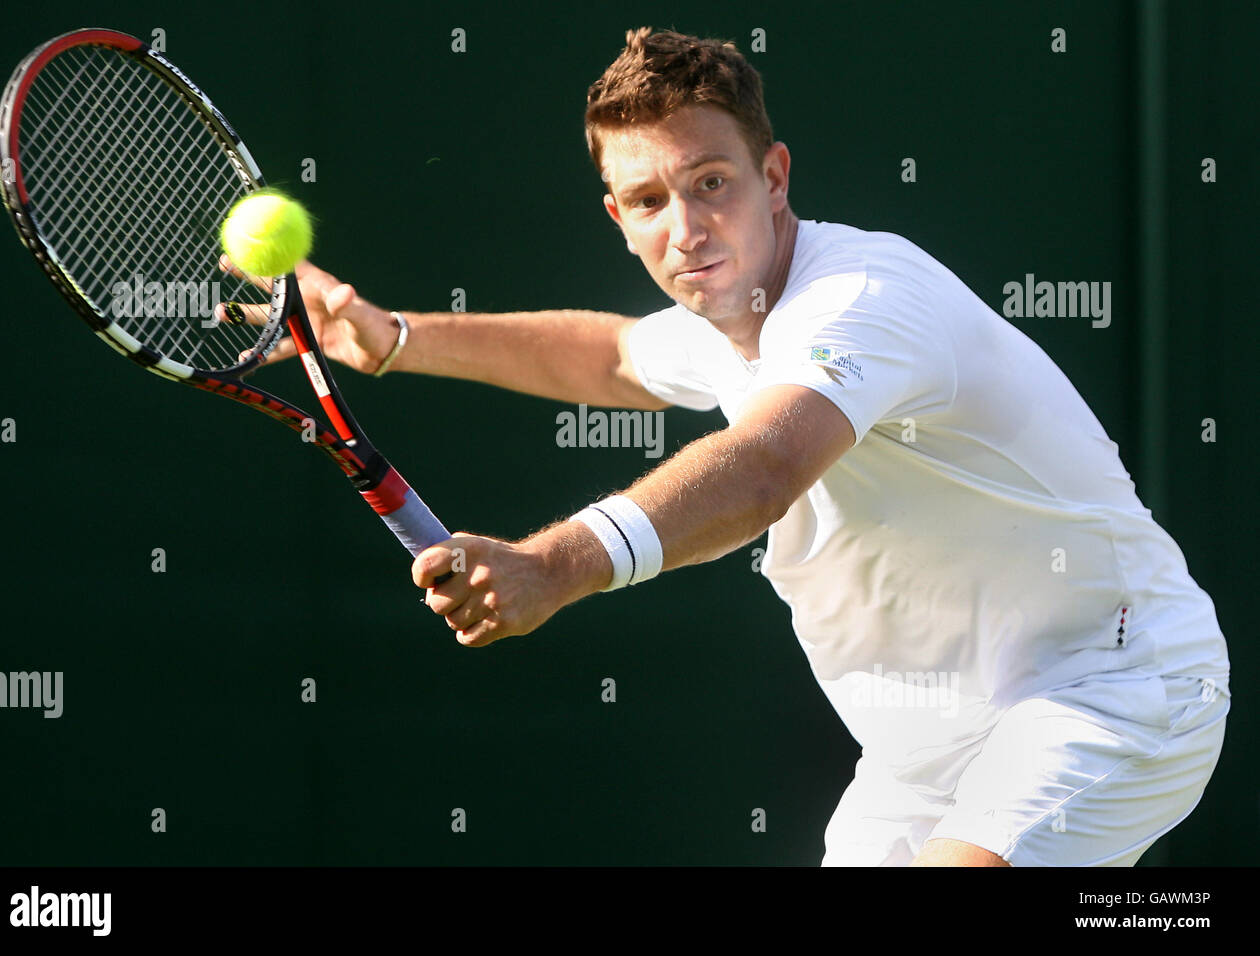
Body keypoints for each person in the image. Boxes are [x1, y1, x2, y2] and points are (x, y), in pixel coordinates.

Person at [230, 27, 1230, 866]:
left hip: (1108, 687)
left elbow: (759, 470)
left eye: (710, 182)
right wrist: (394, 336)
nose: (687, 225)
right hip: (926, 747)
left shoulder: (860, 301)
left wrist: (554, 562)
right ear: (618, 218)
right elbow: (618, 355)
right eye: (651, 201)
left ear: (773, 175)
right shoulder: (726, 322)